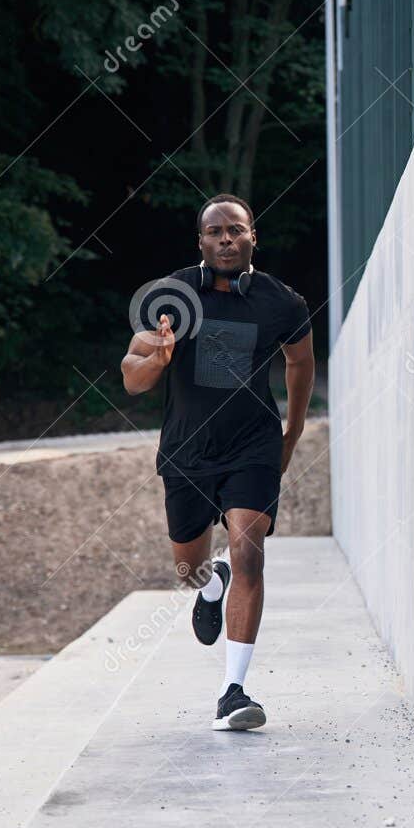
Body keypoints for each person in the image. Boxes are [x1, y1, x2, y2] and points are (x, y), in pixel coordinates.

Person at [119, 193, 315, 730]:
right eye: (215, 232)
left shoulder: (282, 302)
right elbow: (131, 375)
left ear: (253, 237)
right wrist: (158, 360)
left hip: (253, 446)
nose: (226, 239)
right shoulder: (174, 295)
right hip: (187, 450)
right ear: (201, 241)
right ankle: (210, 585)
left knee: (249, 553)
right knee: (188, 569)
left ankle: (234, 692)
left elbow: (300, 361)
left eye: (236, 230)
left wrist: (293, 430)